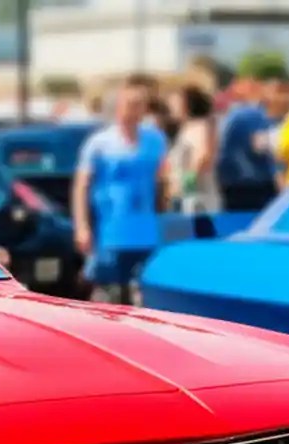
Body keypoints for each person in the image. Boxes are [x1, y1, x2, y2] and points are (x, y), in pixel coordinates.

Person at [71, 75, 168, 305]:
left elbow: (162, 183)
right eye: (129, 104)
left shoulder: (155, 141)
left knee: (142, 295)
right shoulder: (100, 143)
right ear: (118, 107)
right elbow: (81, 187)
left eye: (139, 105)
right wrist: (82, 226)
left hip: (145, 233)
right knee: (108, 296)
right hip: (110, 233)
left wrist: (165, 219)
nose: (133, 111)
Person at [218, 78, 278, 211]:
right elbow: (260, 145)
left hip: (231, 181)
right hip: (256, 183)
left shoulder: (227, 116)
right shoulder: (254, 114)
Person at [167, 85, 220, 213]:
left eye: (175, 103)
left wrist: (185, 185)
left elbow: (203, 157)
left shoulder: (200, 127)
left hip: (198, 201)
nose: (171, 108)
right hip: (185, 200)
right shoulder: (184, 129)